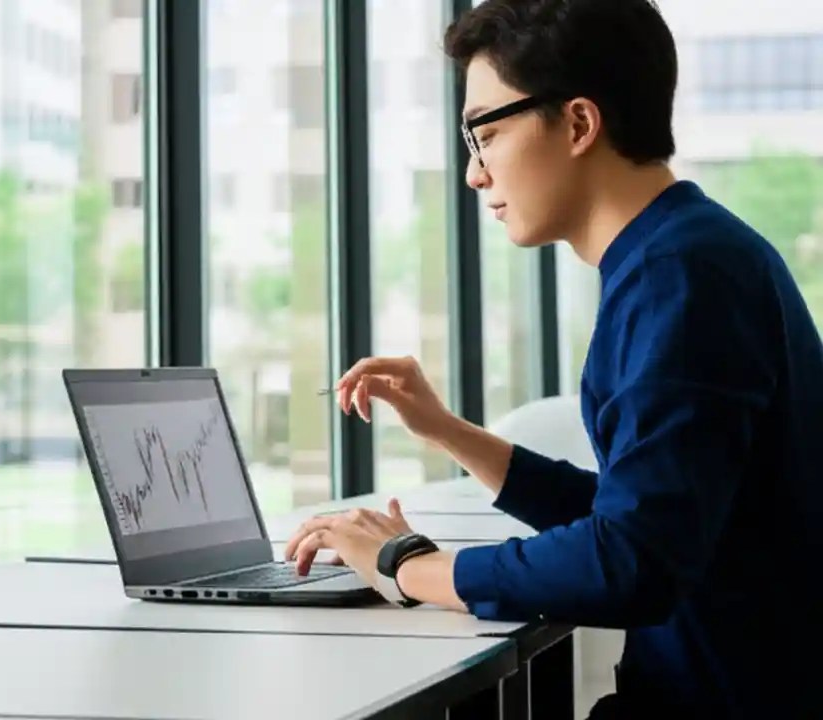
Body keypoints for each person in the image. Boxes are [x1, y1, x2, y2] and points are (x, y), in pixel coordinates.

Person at [283, 0, 823, 717]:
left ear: (577, 123)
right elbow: (641, 517)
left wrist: (407, 566)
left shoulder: (682, 276)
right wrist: (448, 430)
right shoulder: (685, 254)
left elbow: (630, 565)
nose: (475, 174)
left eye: (486, 132)